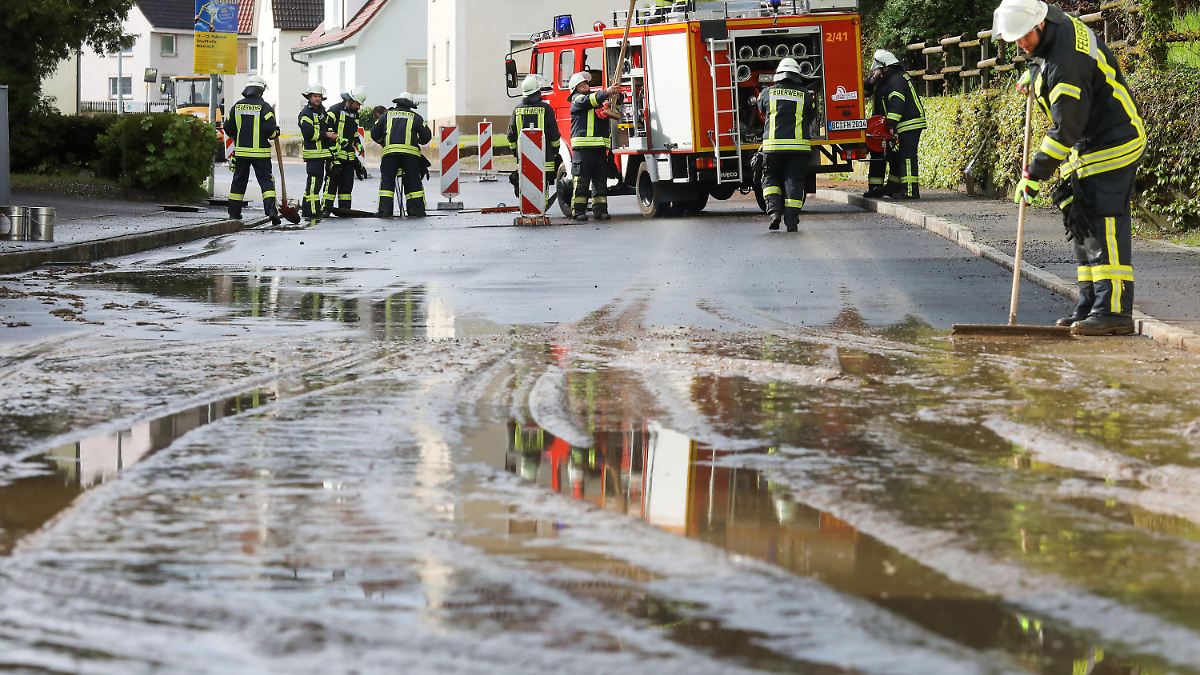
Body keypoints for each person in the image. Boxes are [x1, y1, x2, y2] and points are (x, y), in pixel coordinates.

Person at [995, 0, 1145, 335]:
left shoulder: (1067, 64)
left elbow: (1065, 130)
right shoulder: (1057, 31)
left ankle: (1114, 311)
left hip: (1112, 143)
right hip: (1091, 143)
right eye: (1015, 39)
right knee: (1080, 217)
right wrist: (1035, 73)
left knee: (1102, 220)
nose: (1021, 44)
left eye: (1024, 38)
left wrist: (1034, 174)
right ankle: (1090, 305)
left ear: (1041, 24)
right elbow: (1047, 66)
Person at [757, 58, 814, 232]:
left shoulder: (767, 92)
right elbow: (810, 116)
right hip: (798, 148)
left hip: (773, 147)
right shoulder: (805, 94)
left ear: (779, 74)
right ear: (796, 74)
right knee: (794, 181)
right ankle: (792, 222)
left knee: (770, 177)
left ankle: (774, 213)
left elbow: (761, 110)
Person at [864, 50, 926, 199]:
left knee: (907, 156)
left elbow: (897, 104)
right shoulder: (890, 78)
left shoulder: (896, 80)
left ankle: (911, 192)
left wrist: (890, 124)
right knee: (894, 156)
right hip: (903, 124)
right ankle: (892, 188)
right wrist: (872, 79)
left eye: (878, 69)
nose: (876, 72)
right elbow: (866, 91)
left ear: (886, 67)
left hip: (909, 124)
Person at [224, 75, 281, 224]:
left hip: (241, 153)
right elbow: (269, 130)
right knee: (266, 182)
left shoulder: (237, 106)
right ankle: (271, 211)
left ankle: (234, 213)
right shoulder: (266, 107)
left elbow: (228, 128)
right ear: (261, 91)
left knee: (238, 181)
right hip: (261, 154)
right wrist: (276, 133)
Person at [568, 72, 620, 221]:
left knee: (600, 181)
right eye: (581, 84)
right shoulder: (577, 100)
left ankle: (600, 210)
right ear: (575, 88)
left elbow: (612, 105)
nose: (585, 85)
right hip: (582, 150)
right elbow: (590, 100)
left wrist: (616, 96)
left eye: (586, 83)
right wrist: (607, 91)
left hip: (599, 149)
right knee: (581, 182)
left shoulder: (596, 99)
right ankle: (578, 211)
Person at [371, 92, 432, 218]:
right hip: (410, 156)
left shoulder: (386, 116)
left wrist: (384, 142)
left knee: (387, 183)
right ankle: (416, 211)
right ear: (410, 104)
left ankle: (385, 211)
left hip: (390, 155)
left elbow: (374, 133)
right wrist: (418, 140)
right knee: (413, 183)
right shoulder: (416, 117)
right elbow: (426, 137)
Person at [507, 75, 562, 207]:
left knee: (526, 180)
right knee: (543, 182)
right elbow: (554, 134)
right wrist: (555, 152)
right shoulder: (546, 109)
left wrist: (516, 153)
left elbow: (511, 135)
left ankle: (527, 206)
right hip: (545, 157)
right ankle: (541, 207)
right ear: (538, 91)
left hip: (524, 156)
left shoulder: (517, 110)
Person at [325, 87, 369, 213]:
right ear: (351, 100)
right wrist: (333, 158)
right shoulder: (334, 111)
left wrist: (359, 146)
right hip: (335, 156)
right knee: (331, 184)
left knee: (347, 185)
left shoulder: (355, 114)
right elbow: (327, 133)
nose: (359, 107)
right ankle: (326, 209)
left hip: (349, 157)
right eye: (358, 104)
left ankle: (345, 210)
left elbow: (354, 134)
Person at [298, 85, 337, 219]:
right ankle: (314, 211)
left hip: (322, 154)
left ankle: (306, 209)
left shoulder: (322, 112)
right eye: (315, 96)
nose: (317, 99)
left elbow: (327, 126)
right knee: (314, 183)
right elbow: (308, 133)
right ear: (309, 97)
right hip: (313, 154)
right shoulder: (305, 114)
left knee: (314, 183)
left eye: (319, 96)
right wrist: (326, 134)